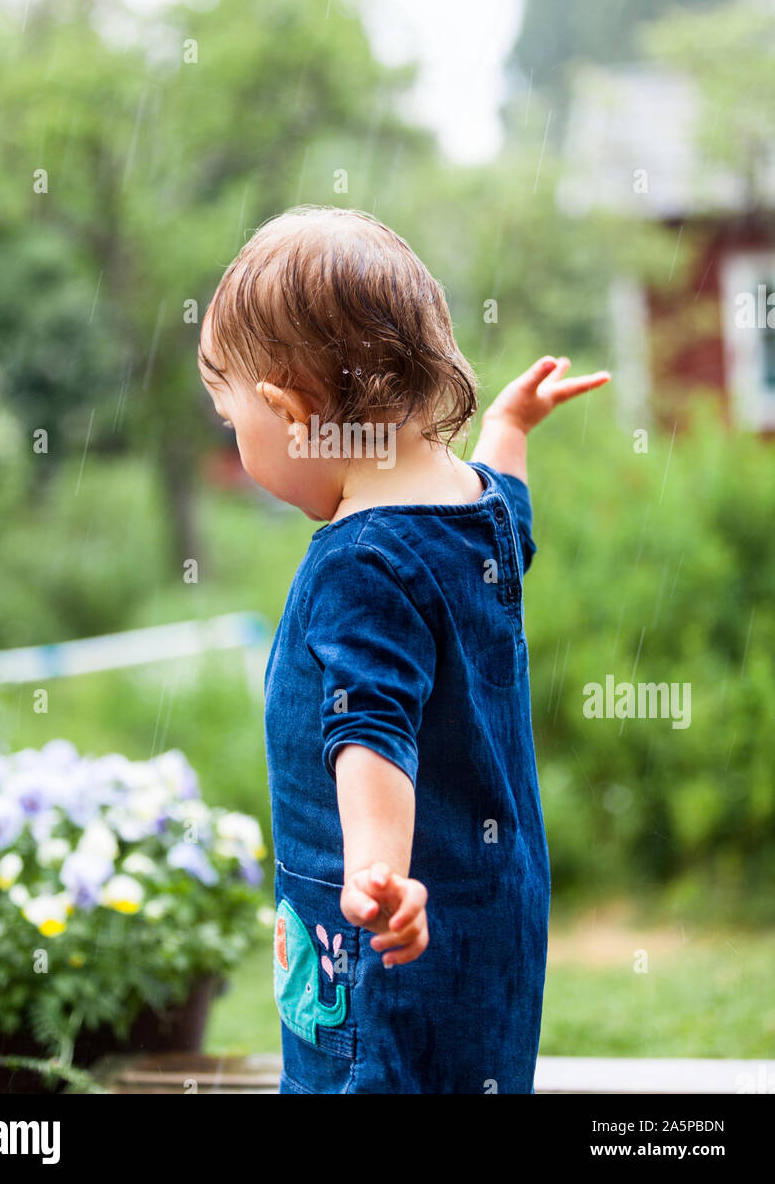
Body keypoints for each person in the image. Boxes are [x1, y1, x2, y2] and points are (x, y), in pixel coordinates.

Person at [198, 205, 610, 1094]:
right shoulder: (474, 513)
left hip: (378, 941)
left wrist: (377, 872)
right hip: (494, 917)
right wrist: (510, 428)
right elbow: (514, 512)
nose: (237, 441)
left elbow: (367, 730)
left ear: (291, 412)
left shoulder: (361, 564)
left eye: (234, 422)